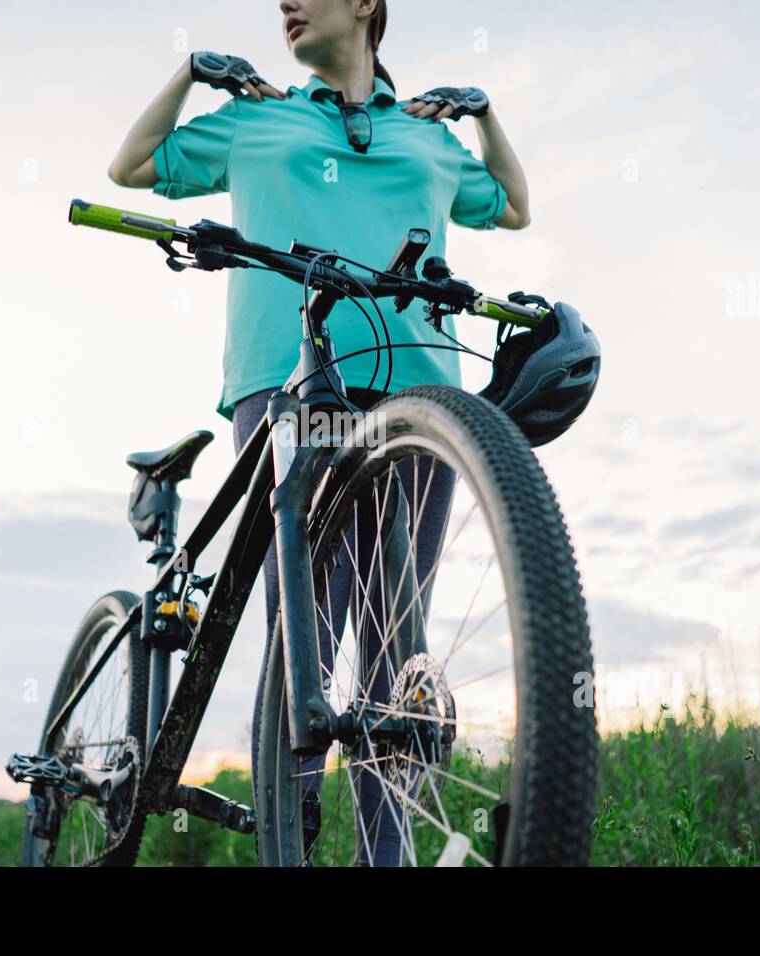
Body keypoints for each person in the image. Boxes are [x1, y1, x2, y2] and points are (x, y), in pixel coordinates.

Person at [108, 0, 530, 864]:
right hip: (290, 381)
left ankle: (389, 855)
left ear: (369, 4)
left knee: (394, 641)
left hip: (418, 386)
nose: (285, 4)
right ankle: (290, 844)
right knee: (309, 626)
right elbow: (133, 165)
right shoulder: (258, 117)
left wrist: (483, 111)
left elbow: (513, 209)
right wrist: (190, 73)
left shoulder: (426, 137)